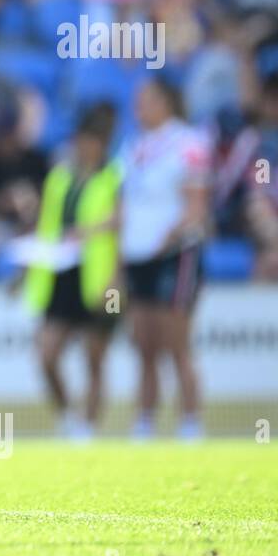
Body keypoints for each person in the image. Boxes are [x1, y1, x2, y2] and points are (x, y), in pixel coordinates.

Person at [118, 79, 211, 440]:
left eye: (146, 101)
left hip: (175, 255)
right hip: (138, 256)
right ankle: (145, 423)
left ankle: (191, 423)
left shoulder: (188, 143)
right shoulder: (133, 147)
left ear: (166, 102)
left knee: (177, 344)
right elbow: (127, 204)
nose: (139, 108)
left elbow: (196, 207)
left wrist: (167, 238)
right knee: (143, 344)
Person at [22, 104, 121, 440]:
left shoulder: (114, 177)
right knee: (47, 355)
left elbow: (122, 224)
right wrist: (27, 267)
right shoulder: (60, 177)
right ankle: (67, 418)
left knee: (95, 358)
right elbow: (46, 225)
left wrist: (115, 277)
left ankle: (88, 429)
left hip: (98, 277)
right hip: (60, 275)